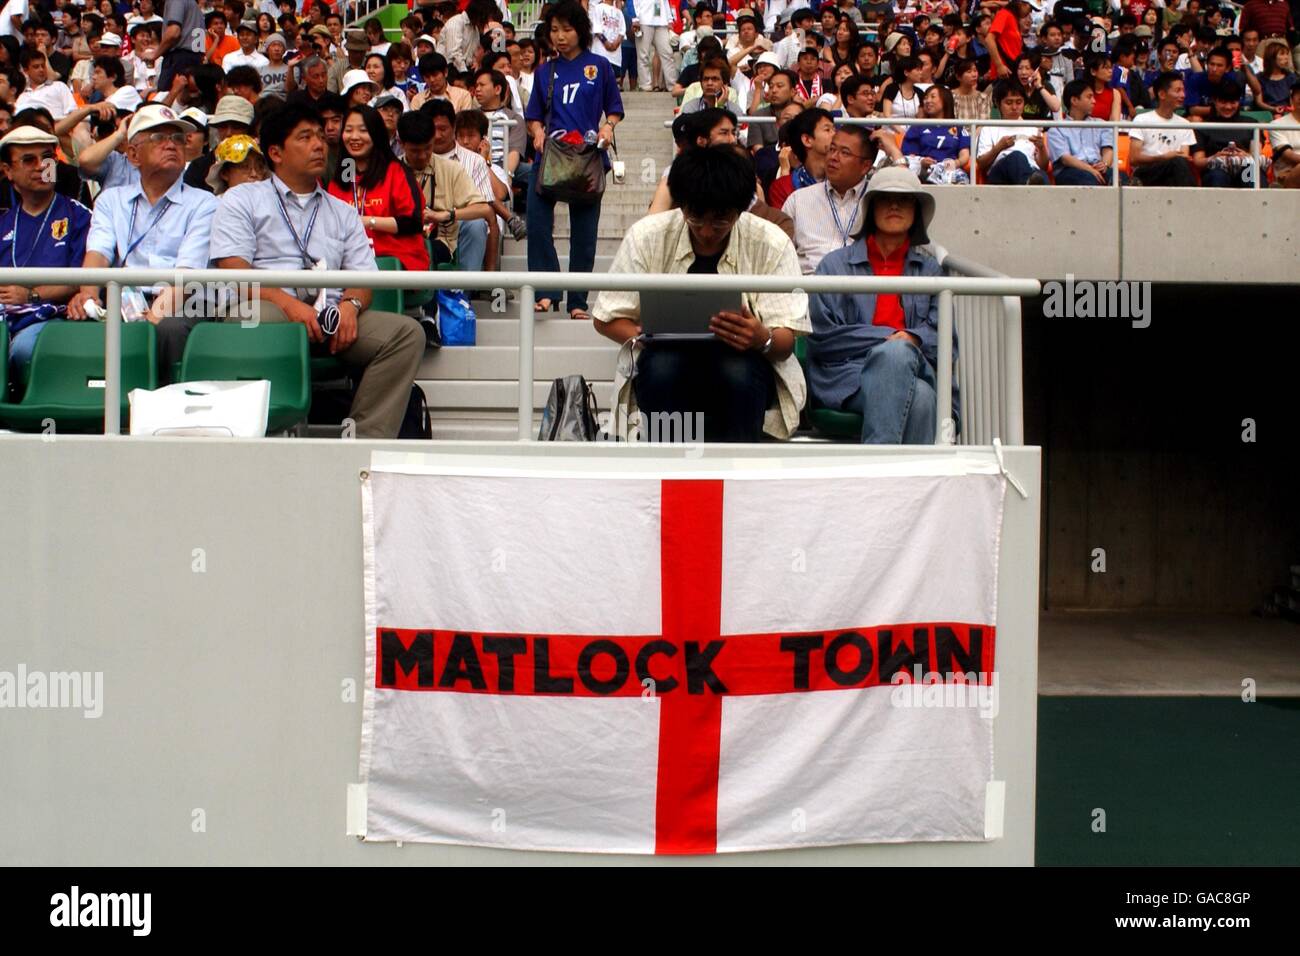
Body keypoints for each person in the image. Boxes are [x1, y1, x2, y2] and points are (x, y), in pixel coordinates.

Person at [208, 102, 423, 439]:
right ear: (276, 153)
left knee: (406, 333)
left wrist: (350, 307)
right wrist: (290, 305)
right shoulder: (242, 200)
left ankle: (362, 440)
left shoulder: (343, 211)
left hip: (331, 319)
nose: (319, 145)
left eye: (321, 137)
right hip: (272, 310)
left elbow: (363, 278)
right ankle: (266, 431)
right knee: (261, 318)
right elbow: (234, 270)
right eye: (305, 137)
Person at [591, 145, 808, 443]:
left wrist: (762, 338)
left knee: (736, 373)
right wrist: (647, 334)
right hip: (664, 359)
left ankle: (733, 472)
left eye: (720, 220)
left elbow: (785, 342)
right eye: (695, 218)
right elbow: (606, 318)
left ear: (742, 208)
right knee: (663, 369)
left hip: (745, 361)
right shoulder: (647, 236)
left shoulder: (771, 242)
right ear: (681, 205)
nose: (706, 231)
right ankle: (672, 467)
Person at [67, 104, 218, 379]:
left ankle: (163, 407)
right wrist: (88, 294)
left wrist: (149, 321)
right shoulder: (111, 200)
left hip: (183, 303)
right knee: (77, 319)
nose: (171, 145)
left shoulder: (204, 202)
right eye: (159, 138)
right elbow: (98, 253)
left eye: (177, 139)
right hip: (125, 301)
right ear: (134, 155)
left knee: (166, 329)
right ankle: (91, 408)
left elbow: (187, 274)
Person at [809, 167, 955, 445]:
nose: (895, 205)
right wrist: (894, 340)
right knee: (921, 399)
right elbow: (823, 339)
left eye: (905, 200)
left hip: (915, 367)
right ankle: (910, 486)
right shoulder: (834, 265)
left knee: (898, 356)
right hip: (848, 375)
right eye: (885, 198)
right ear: (871, 207)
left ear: (917, 212)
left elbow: (946, 340)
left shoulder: (930, 270)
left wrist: (902, 345)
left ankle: (879, 470)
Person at [525, 1, 623, 319]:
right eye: (554, 30)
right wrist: (537, 133)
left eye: (567, 29)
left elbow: (614, 108)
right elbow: (534, 116)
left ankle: (578, 302)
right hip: (549, 155)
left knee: (585, 234)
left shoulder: (600, 65)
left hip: (587, 156)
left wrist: (607, 126)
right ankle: (545, 292)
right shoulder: (544, 71)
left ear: (580, 30)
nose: (560, 36)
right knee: (538, 225)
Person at [0, 125, 92, 380]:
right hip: (4, 317)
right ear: (8, 171)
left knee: (24, 349)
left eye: (47, 158)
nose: (42, 166)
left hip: (53, 320)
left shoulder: (79, 215)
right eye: (29, 160)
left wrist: (31, 294)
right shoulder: (4, 222)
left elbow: (81, 280)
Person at [326, 104, 429, 279]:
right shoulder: (345, 171)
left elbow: (413, 222)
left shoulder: (395, 170)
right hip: (349, 260)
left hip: (394, 261)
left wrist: (367, 221)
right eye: (348, 130)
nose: (354, 137)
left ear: (376, 134)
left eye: (363, 131)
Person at [783, 125, 878, 275]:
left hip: (860, 290)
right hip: (809, 288)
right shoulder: (798, 200)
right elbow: (781, 257)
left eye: (845, 153)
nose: (833, 157)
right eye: (832, 149)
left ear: (865, 166)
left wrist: (894, 152)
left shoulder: (877, 202)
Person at [421, 98, 495, 272]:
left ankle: (463, 291)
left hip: (458, 221)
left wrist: (447, 215)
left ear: (453, 127)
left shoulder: (475, 161)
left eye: (443, 129)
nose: (438, 135)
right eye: (433, 129)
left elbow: (485, 209)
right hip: (419, 221)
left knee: (476, 224)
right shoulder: (410, 158)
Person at [1128, 70, 1197, 186]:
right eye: (1178, 91)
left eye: (1183, 91)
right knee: (1176, 163)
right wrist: (1162, 158)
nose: (1183, 95)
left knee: (1177, 166)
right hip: (1147, 172)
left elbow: (1184, 156)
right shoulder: (1142, 119)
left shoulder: (1185, 124)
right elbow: (1134, 158)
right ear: (1162, 94)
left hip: (1173, 172)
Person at [1048, 79, 1121, 185]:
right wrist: (1089, 169)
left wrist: (1104, 164)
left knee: (1120, 177)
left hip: (1097, 168)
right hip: (1070, 170)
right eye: (1089, 97)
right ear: (1074, 100)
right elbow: (1065, 159)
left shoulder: (1101, 124)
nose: (1094, 101)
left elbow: (1108, 150)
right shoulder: (1057, 128)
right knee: (1089, 179)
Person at [975, 81, 1049, 184]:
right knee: (1017, 156)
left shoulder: (1033, 129)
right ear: (998, 103)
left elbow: (1043, 166)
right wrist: (998, 148)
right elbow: (981, 164)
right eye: (1009, 103)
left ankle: (1029, 185)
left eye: (1019, 102)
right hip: (1000, 174)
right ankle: (1028, 186)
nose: (1014, 107)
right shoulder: (989, 128)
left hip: (1032, 170)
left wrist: (1042, 148)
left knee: (1042, 175)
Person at [1192, 81, 1259, 188]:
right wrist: (1214, 158)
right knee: (1218, 177)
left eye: (1233, 102)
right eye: (1223, 102)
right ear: (1215, 101)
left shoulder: (1252, 124)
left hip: (1244, 167)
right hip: (1216, 169)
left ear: (1239, 102)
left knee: (1252, 174)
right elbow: (1198, 161)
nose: (1228, 107)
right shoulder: (1203, 127)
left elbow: (1256, 155)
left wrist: (1246, 156)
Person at [767, 107, 834, 210]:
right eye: (827, 129)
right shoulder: (782, 187)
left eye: (834, 129)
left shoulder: (846, 181)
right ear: (807, 140)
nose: (835, 134)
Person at [633, 0, 679, 93]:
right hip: (643, 20)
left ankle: (672, 85)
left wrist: (669, 20)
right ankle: (645, 85)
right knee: (643, 54)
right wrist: (635, 18)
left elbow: (665, 2)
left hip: (662, 21)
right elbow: (633, 2)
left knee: (668, 53)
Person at [204, 132, 268, 194]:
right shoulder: (217, 204)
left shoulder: (271, 202)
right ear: (225, 173)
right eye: (245, 166)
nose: (254, 174)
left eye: (259, 166)